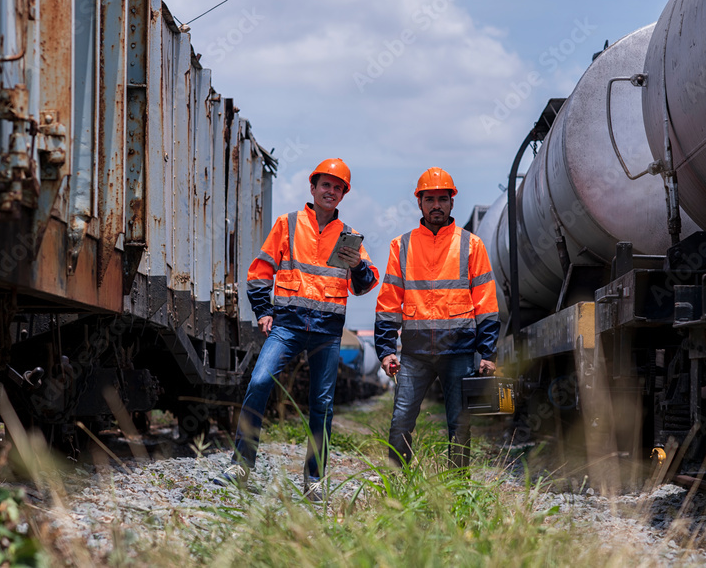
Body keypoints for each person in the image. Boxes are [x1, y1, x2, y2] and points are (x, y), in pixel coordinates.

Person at [213, 158, 379, 496]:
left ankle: (313, 478)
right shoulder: (287, 225)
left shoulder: (349, 238)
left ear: (343, 194)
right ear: (313, 187)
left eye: (338, 188)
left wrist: (358, 264)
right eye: (325, 185)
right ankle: (241, 465)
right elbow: (259, 272)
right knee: (259, 381)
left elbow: (365, 284)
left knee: (322, 404)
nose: (330, 192)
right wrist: (263, 311)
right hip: (288, 325)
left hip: (328, 331)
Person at [374, 167, 500, 470]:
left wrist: (488, 352)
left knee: (460, 425)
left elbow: (486, 303)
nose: (436, 206)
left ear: (452, 202)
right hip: (415, 354)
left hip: (458, 351)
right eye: (429, 199)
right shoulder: (401, 246)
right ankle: (397, 485)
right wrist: (386, 350)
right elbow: (389, 301)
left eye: (442, 199)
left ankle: (457, 488)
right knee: (401, 421)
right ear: (419, 203)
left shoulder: (471, 245)